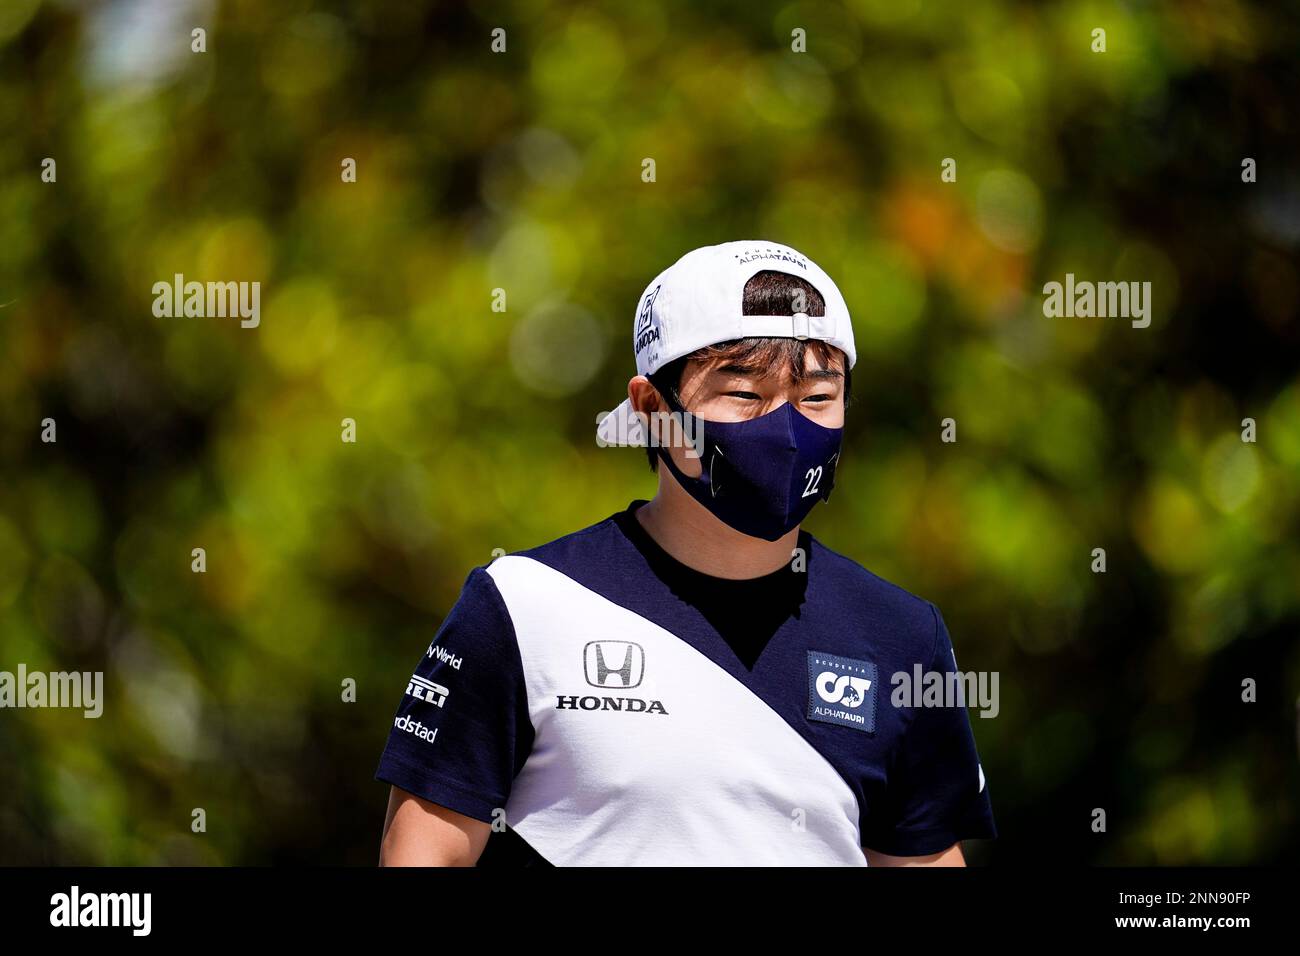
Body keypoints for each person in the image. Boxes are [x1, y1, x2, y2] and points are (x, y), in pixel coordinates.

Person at [375, 240, 997, 866]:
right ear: (651, 408)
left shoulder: (900, 635)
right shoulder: (524, 606)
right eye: (745, 396)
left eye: (815, 399)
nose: (784, 431)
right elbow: (422, 856)